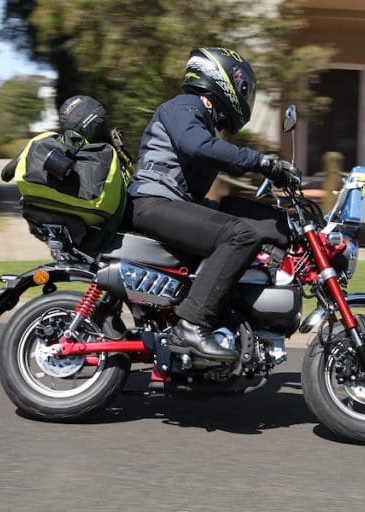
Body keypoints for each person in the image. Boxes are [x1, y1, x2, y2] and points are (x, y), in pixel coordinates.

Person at [128, 47, 293, 362]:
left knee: (238, 213)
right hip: (153, 203)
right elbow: (199, 147)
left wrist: (278, 215)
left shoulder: (199, 118)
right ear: (220, 78)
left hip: (168, 203)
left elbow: (221, 157)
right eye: (243, 88)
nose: (246, 96)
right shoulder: (184, 107)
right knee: (239, 234)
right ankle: (191, 324)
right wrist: (262, 161)